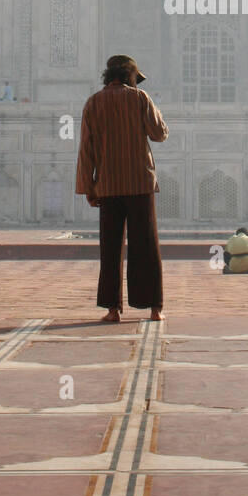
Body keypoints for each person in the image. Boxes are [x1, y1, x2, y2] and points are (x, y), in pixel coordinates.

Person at [75, 54, 167, 322]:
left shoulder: (93, 103)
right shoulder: (140, 99)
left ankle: (113, 309)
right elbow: (159, 133)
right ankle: (154, 308)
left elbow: (86, 150)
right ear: (131, 77)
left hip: (108, 184)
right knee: (146, 245)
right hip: (139, 182)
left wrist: (88, 187)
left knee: (111, 248)